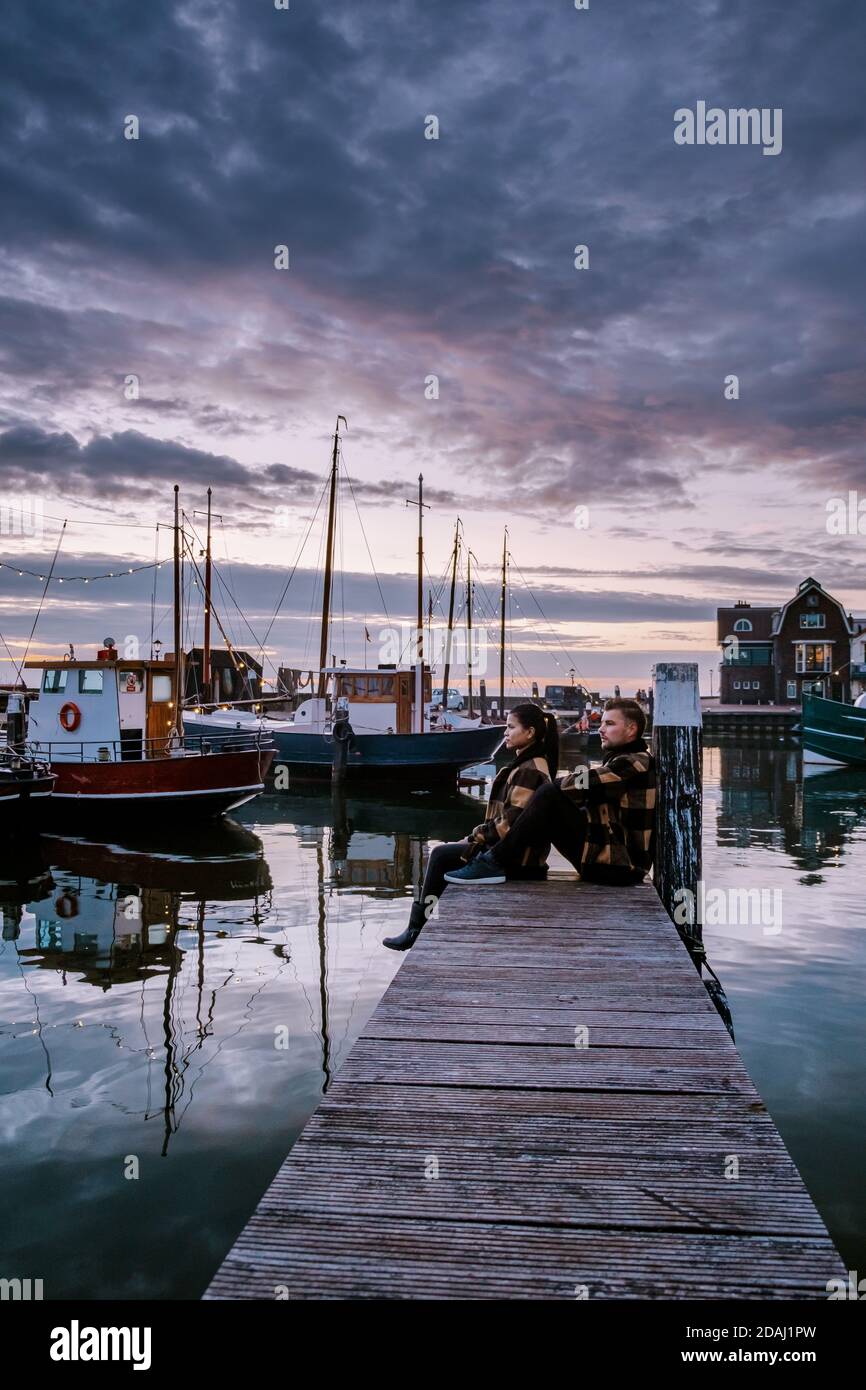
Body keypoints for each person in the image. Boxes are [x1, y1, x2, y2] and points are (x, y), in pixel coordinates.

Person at [382, 702, 559, 950]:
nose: (505, 732)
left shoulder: (530, 770)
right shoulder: (528, 765)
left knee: (441, 855)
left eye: (510, 727)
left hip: (518, 860)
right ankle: (423, 923)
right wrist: (475, 837)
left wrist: (476, 837)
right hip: (515, 853)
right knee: (448, 852)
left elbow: (511, 822)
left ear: (529, 732)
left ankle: (417, 928)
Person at [443, 697, 655, 886]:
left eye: (609, 724)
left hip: (621, 868)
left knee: (550, 794)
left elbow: (581, 783)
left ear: (631, 729)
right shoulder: (623, 760)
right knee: (550, 795)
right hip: (608, 859)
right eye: (601, 723)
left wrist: (553, 789)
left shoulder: (635, 763)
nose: (600, 729)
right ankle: (504, 860)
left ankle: (494, 861)